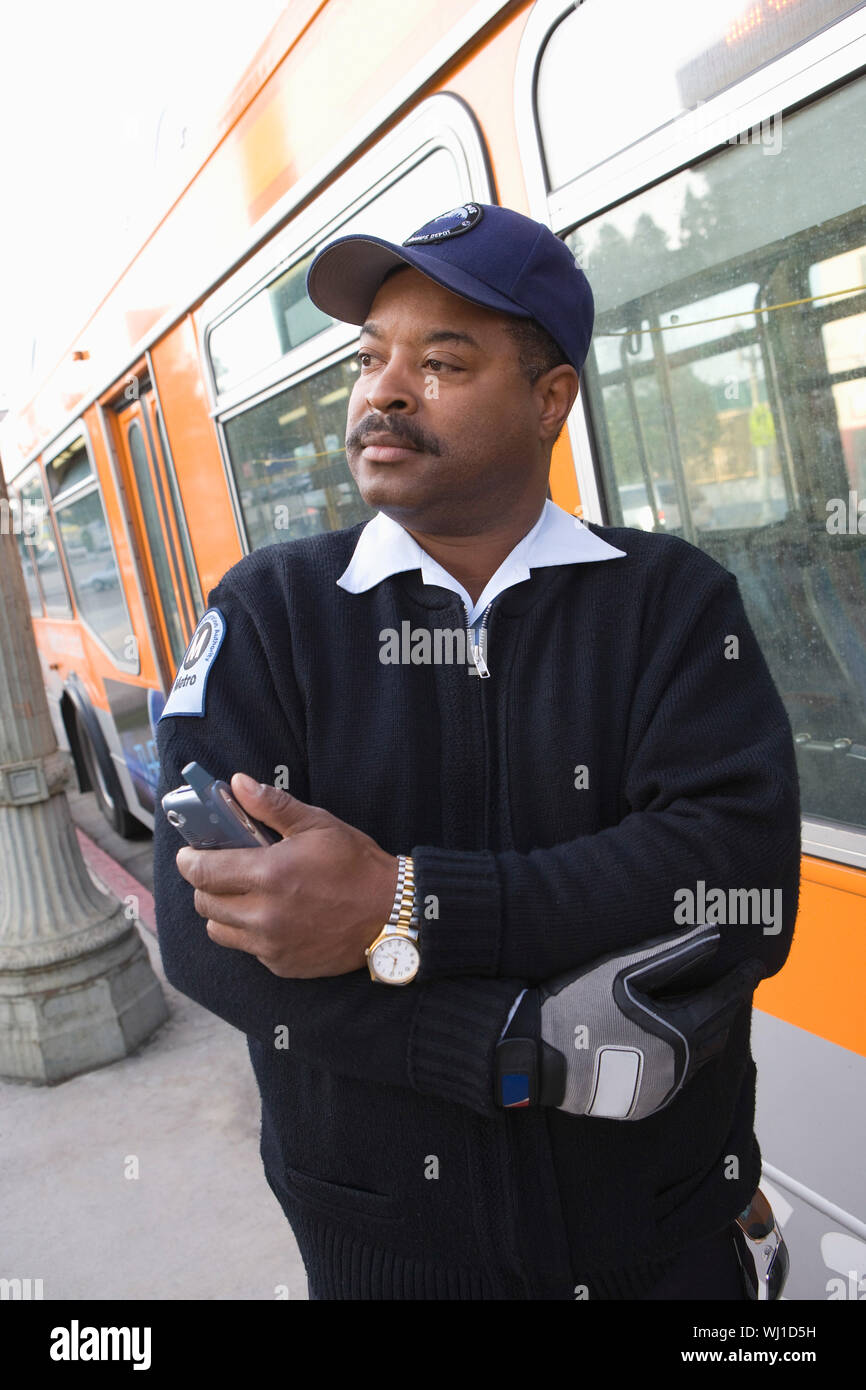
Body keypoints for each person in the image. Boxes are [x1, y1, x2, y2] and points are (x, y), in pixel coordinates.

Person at [152, 202, 801, 1301]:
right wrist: (501, 1043)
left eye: (440, 362)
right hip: (383, 1249)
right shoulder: (269, 615)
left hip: (659, 1237)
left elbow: (734, 876)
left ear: (550, 400)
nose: (383, 391)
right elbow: (205, 930)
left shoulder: (671, 602)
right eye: (369, 359)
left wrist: (404, 904)